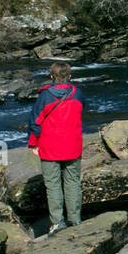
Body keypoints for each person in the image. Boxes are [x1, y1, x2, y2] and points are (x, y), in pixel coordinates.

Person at [27, 60, 84, 234]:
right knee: (73, 182)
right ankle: (75, 219)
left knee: (52, 184)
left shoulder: (44, 96)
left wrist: (33, 144)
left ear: (52, 77)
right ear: (69, 76)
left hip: (50, 146)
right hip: (73, 145)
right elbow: (81, 111)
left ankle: (58, 222)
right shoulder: (78, 93)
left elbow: (35, 123)